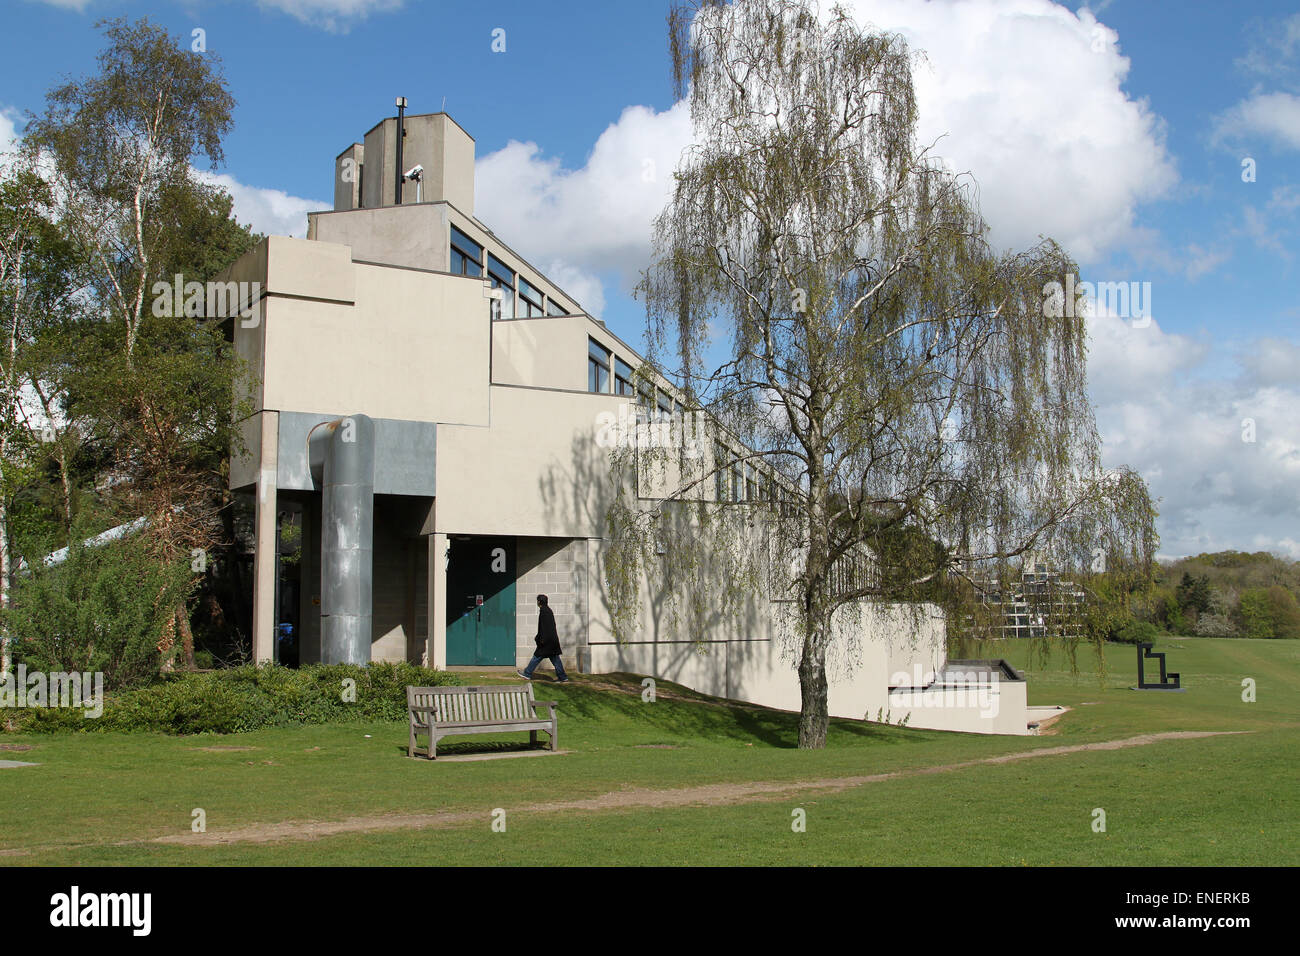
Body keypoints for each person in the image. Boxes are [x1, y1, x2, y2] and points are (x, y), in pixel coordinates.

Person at [518, 594, 570, 682]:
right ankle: (563, 677)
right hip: (551, 641)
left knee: (537, 656)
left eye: (537, 601)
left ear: (539, 601)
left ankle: (527, 673)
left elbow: (544, 627)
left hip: (546, 641)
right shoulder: (548, 611)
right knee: (555, 659)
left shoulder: (544, 612)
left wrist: (540, 639)